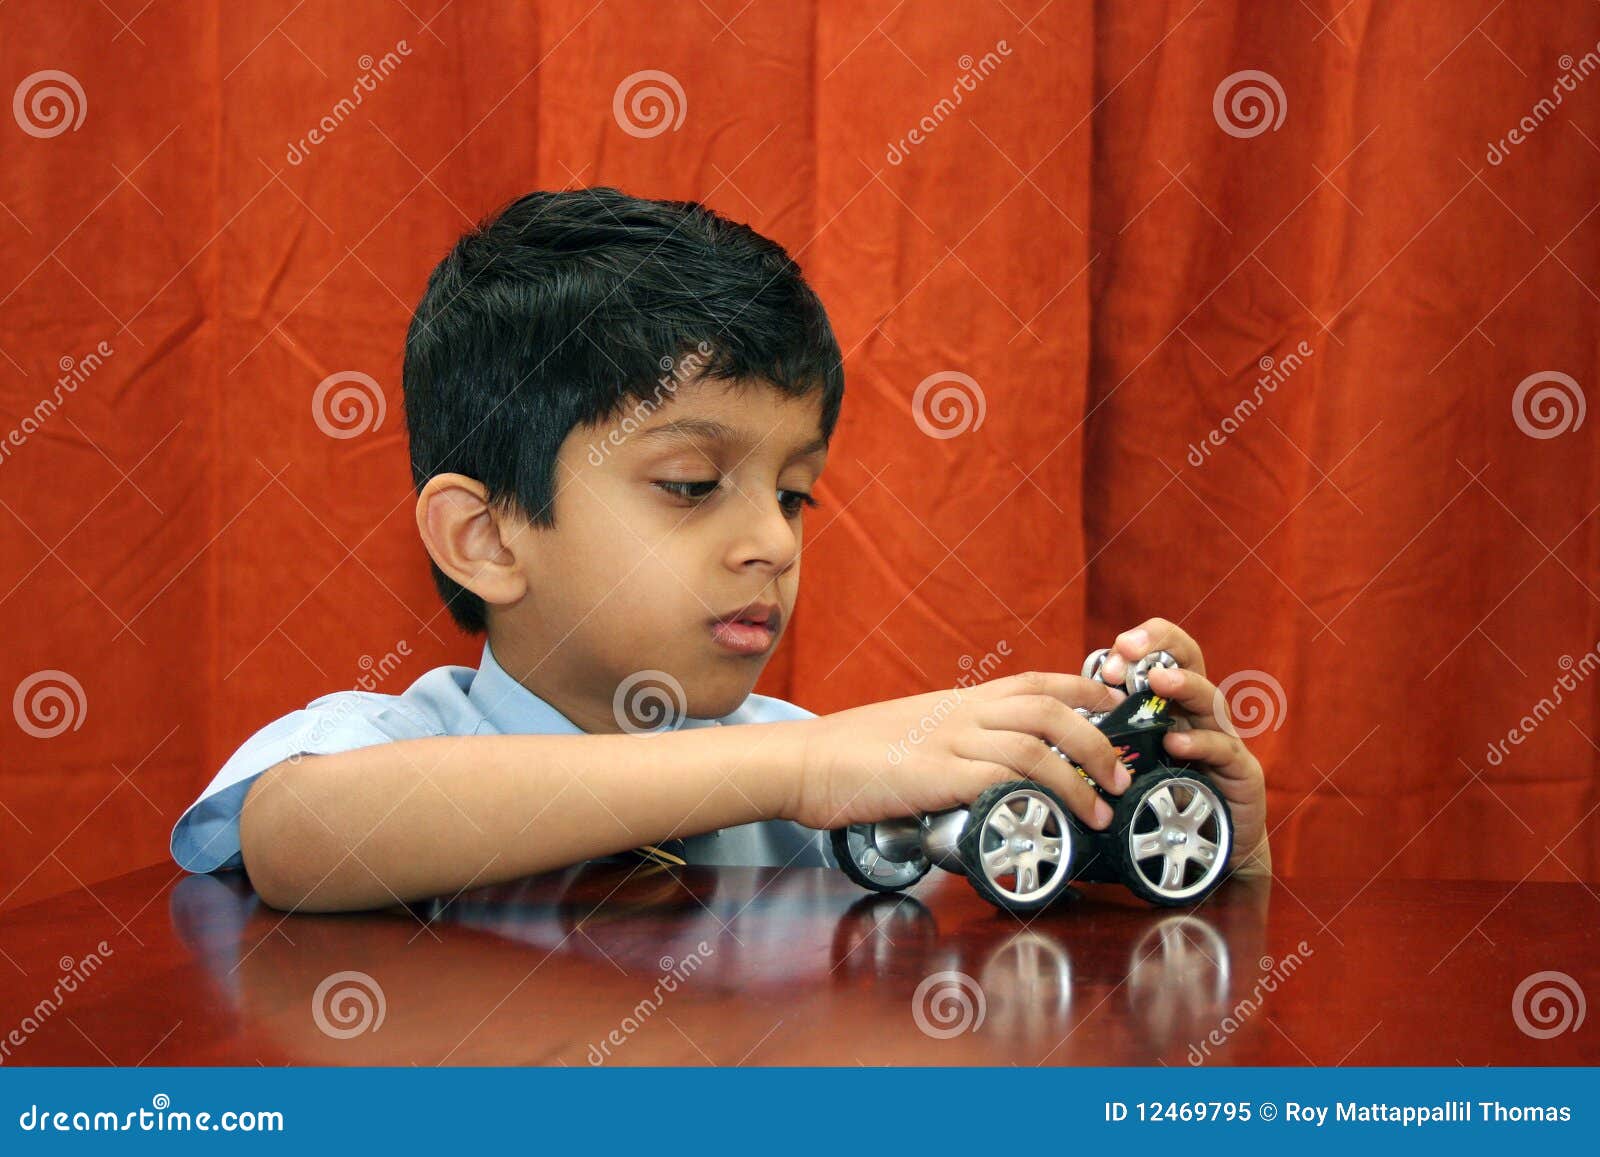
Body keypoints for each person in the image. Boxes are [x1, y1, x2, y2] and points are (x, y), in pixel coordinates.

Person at [169, 187, 1271, 913]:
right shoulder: (378, 743)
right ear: (486, 535)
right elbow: (301, 838)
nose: (768, 543)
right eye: (692, 486)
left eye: (795, 496)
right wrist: (791, 769)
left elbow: (1028, 947)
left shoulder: (825, 775)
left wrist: (1181, 844)